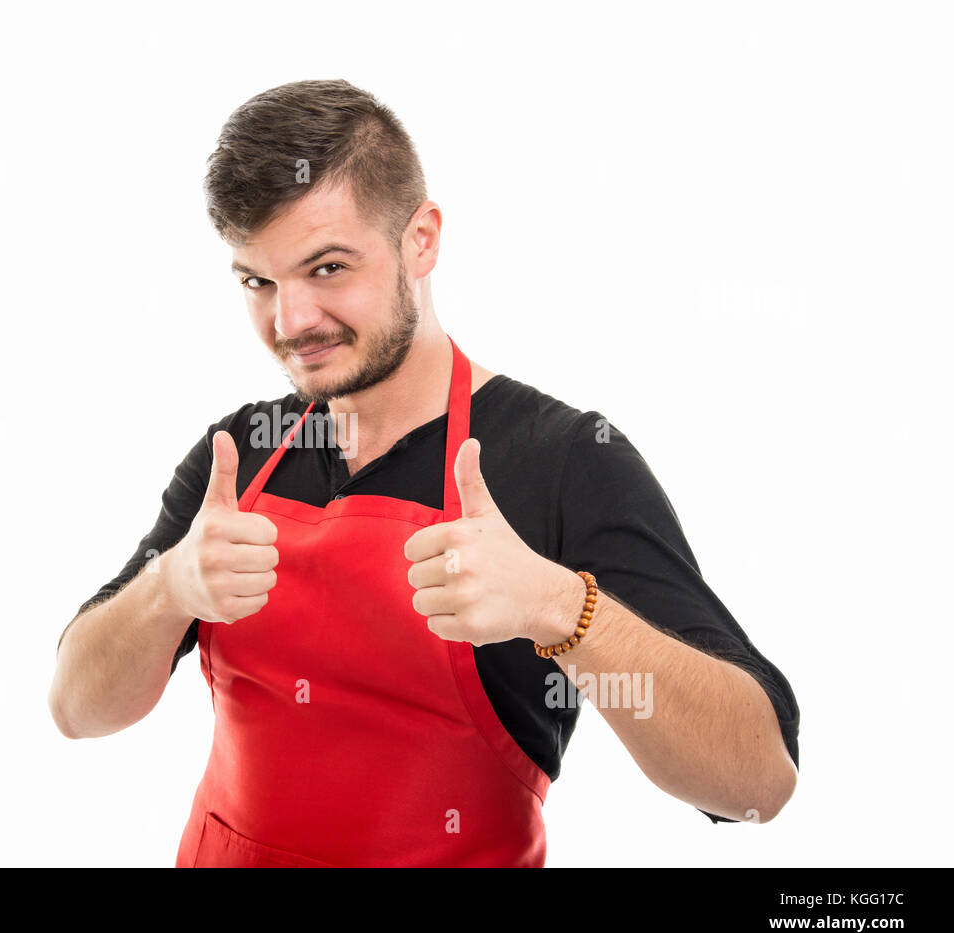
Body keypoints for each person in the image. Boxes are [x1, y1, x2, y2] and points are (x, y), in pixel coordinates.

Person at [48, 79, 800, 867]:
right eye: (257, 281)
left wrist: (558, 606)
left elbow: (757, 784)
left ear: (422, 239)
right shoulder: (236, 457)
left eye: (328, 267)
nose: (290, 321)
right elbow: (75, 707)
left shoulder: (562, 460)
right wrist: (170, 588)